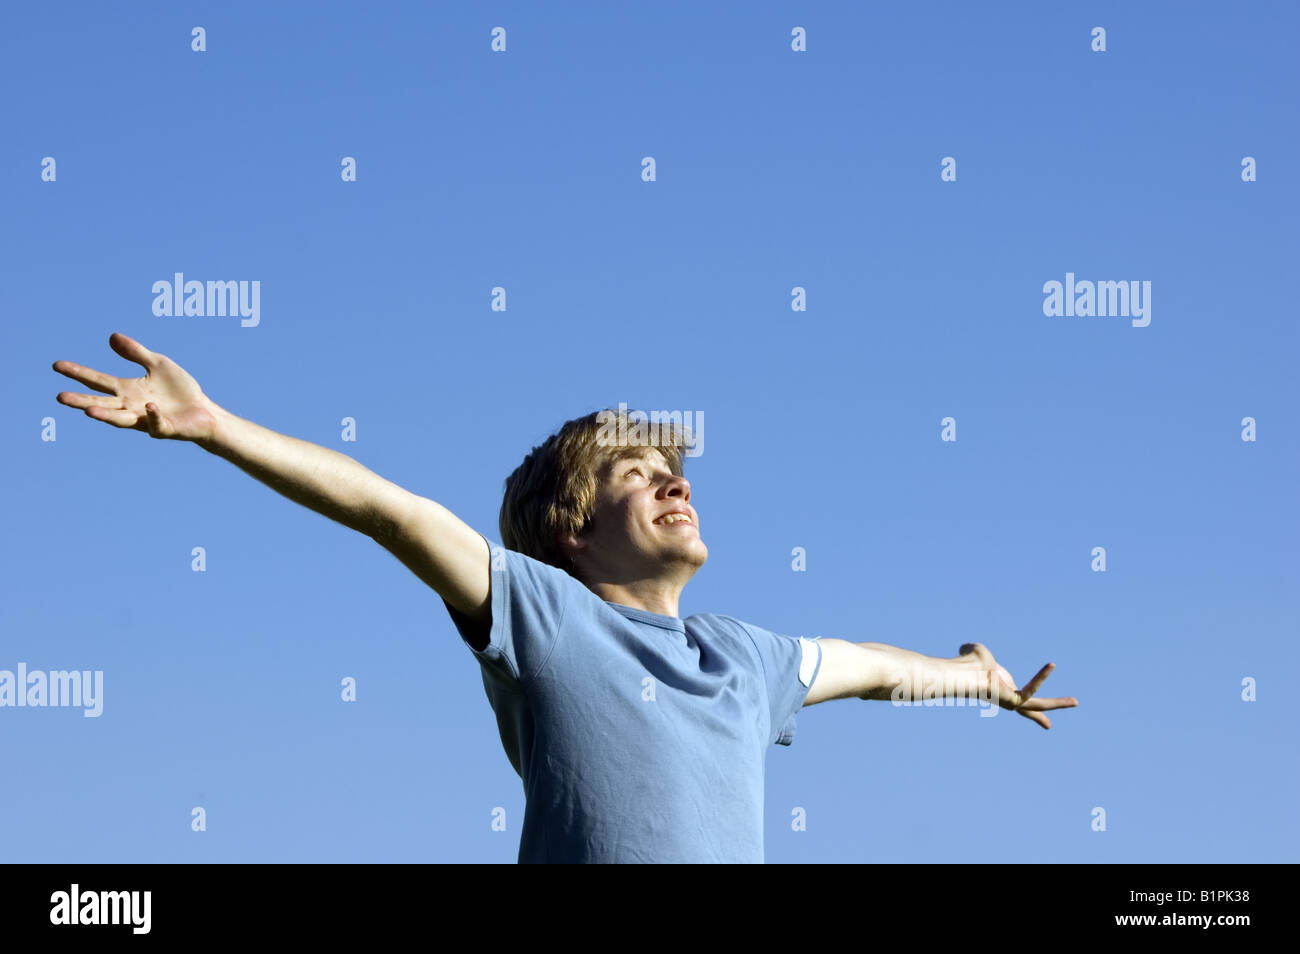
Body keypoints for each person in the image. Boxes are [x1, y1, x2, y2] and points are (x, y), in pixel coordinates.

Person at [53, 332, 1079, 863]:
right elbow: (390, 511)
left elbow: (871, 668)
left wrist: (975, 683)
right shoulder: (547, 618)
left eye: (671, 470)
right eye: (634, 476)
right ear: (571, 534)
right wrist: (216, 425)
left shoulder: (745, 661)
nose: (673, 482)